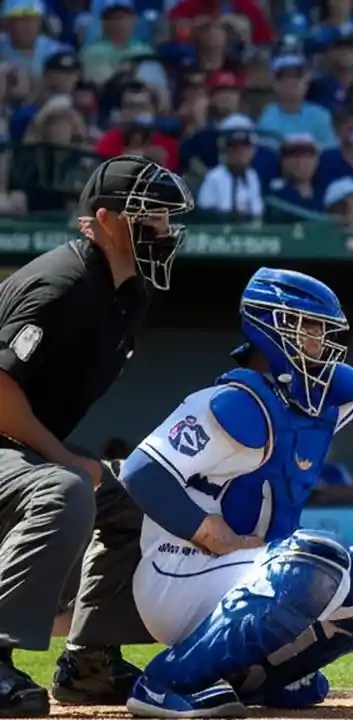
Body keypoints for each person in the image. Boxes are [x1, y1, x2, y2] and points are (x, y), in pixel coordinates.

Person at [116, 267, 353, 716]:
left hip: (244, 574)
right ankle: (165, 682)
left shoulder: (314, 397)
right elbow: (142, 470)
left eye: (321, 327)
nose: (320, 338)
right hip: (180, 576)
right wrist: (207, 531)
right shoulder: (235, 402)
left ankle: (267, 677)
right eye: (309, 327)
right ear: (272, 327)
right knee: (313, 559)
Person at [0, 155, 194, 717]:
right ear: (105, 221)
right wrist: (61, 456)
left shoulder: (129, 291)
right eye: (149, 217)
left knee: (140, 496)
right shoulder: (60, 285)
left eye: (165, 218)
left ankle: (89, 663)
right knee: (63, 487)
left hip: (18, 446)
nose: (163, 230)